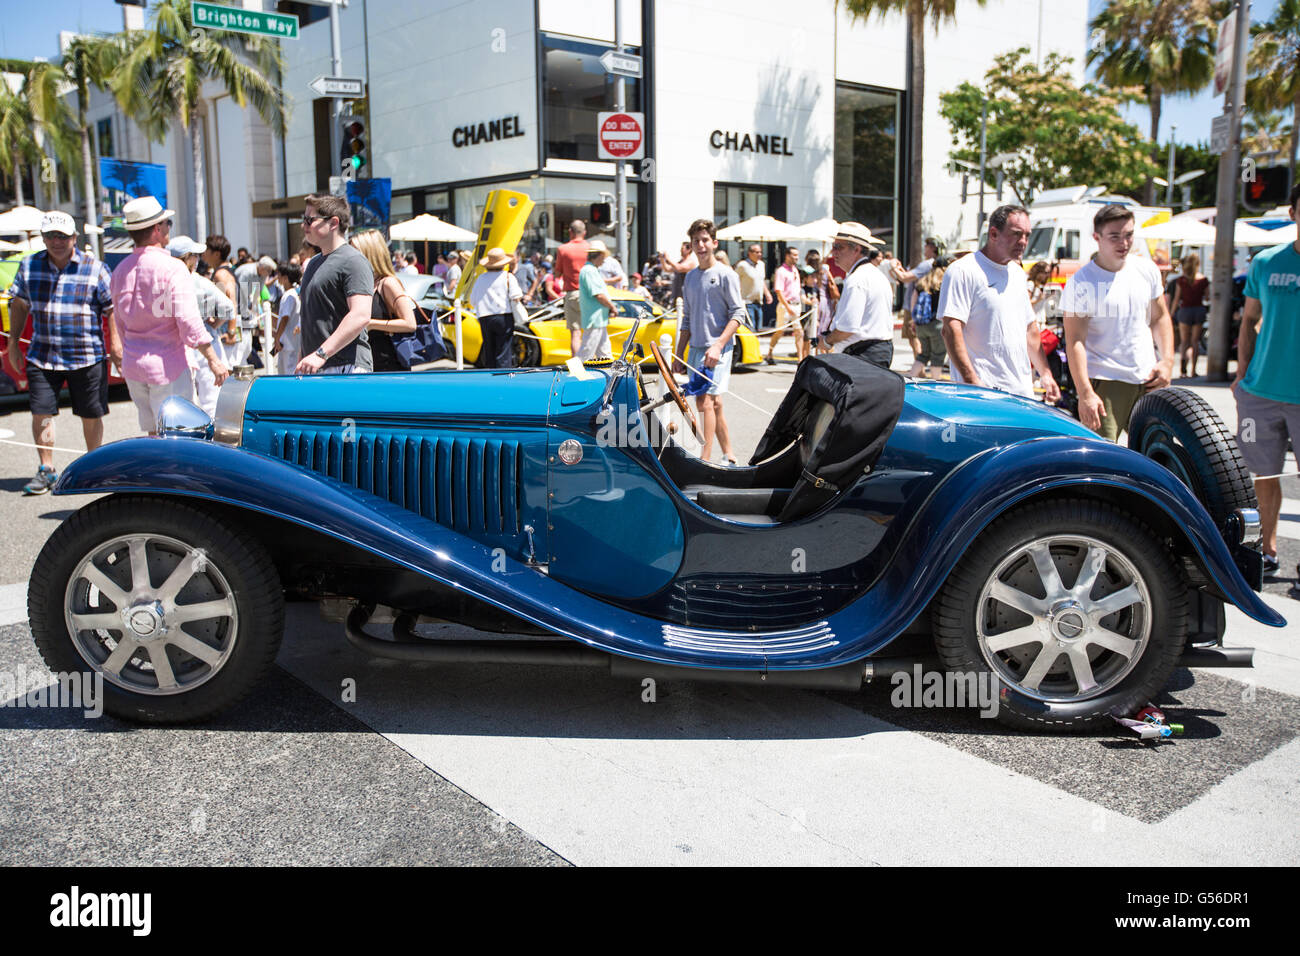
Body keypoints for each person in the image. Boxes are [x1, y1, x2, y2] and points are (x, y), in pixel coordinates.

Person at [5, 211, 116, 494]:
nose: (57, 241)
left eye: (63, 236)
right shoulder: (30, 265)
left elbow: (112, 309)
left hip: (87, 355)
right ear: (43, 238)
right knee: (40, 413)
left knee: (91, 415)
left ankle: (94, 469)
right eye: (51, 236)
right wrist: (14, 343)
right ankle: (46, 469)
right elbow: (18, 304)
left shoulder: (95, 267)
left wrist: (115, 346)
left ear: (74, 238)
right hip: (43, 355)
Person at [111, 196, 228, 434]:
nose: (168, 229)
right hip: (167, 365)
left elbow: (120, 320)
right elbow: (188, 321)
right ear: (157, 229)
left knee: (153, 433)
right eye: (167, 224)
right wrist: (213, 360)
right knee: (179, 435)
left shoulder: (120, 270)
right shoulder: (173, 268)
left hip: (134, 365)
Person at [1060, 203, 1173, 441]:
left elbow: (1160, 317)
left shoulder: (1146, 269)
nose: (1124, 243)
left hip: (1148, 378)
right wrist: (1085, 393)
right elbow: (1075, 341)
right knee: (1103, 462)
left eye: (1129, 235)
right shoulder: (1082, 282)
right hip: (1104, 382)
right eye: (1114, 237)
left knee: (1157, 456)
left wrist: (1167, 362)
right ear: (1097, 238)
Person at [1233, 183, 1300, 577]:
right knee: (1265, 475)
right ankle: (1268, 549)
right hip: (1260, 392)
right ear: (1293, 214)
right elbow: (1249, 322)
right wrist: (1242, 377)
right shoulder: (1266, 262)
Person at [938, 204, 1060, 404]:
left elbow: (1030, 329)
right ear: (993, 234)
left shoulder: (1018, 274)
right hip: (982, 396)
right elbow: (951, 330)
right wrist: (971, 381)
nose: (1023, 242)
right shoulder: (963, 271)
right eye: (1016, 234)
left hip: (1022, 394)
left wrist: (1045, 374)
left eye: (1027, 235)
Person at [675, 218, 745, 465]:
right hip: (696, 349)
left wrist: (718, 345)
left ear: (714, 243)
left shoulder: (727, 274)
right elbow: (687, 319)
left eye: (705, 240)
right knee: (713, 404)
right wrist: (679, 354)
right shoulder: (691, 278)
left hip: (719, 349)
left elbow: (739, 314)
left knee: (706, 400)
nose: (701, 245)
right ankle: (730, 454)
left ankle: (704, 460)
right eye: (696, 241)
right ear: (691, 245)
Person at [295, 193, 374, 374]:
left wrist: (320, 354)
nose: (303, 225)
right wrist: (304, 356)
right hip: (318, 366)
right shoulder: (313, 263)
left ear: (333, 223)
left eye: (309, 220)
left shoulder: (353, 260)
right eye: (303, 219)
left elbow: (361, 315)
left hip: (346, 366)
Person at [167, 234, 233, 414]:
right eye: (195, 255)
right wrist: (214, 325)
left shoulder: (164, 281)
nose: (197, 259)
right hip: (204, 341)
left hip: (176, 345)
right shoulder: (198, 281)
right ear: (187, 258)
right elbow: (228, 308)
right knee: (211, 400)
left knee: (183, 403)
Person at [823, 223, 895, 368]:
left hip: (861, 355)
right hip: (874, 352)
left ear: (856, 249)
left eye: (839, 247)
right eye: (834, 246)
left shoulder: (857, 280)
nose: (833, 252)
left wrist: (826, 341)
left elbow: (846, 329)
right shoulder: (875, 274)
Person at [349, 229, 419, 372]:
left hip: (389, 365)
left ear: (369, 253)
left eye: (355, 251)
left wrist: (371, 324)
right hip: (365, 363)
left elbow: (410, 323)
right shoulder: (364, 283)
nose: (350, 257)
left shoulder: (388, 283)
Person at [468, 247, 525, 368]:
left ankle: (490, 375)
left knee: (489, 349)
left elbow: (473, 300)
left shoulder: (480, 279)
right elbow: (516, 295)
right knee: (503, 350)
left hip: (484, 317)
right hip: (503, 315)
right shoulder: (508, 276)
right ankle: (503, 378)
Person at [202, 234, 243, 364]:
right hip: (228, 325)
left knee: (228, 375)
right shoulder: (225, 270)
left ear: (216, 254)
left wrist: (231, 332)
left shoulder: (221, 274)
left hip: (228, 328)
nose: (204, 252)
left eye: (207, 249)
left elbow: (231, 302)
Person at [1170, 252, 1209, 378]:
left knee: (1185, 341)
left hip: (1185, 311)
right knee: (1195, 341)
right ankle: (1193, 370)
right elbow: (1208, 297)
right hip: (1198, 310)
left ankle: (1183, 370)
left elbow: (1176, 299)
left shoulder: (1181, 280)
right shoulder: (1203, 279)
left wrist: (1170, 314)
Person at [556, 220, 590, 356]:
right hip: (590, 294)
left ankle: (577, 367)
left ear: (570, 232)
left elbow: (557, 273)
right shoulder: (590, 247)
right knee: (590, 333)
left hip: (572, 293)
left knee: (575, 334)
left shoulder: (563, 249)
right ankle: (592, 366)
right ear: (585, 232)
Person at [908, 258, 947, 378]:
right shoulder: (943, 283)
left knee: (923, 355)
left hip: (921, 325)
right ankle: (935, 382)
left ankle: (910, 378)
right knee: (938, 355)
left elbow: (913, 303)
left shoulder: (922, 282)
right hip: (937, 325)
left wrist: (914, 321)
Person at [577, 240, 616, 360]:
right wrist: (612, 307)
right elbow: (598, 295)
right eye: (603, 257)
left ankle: (609, 376)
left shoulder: (590, 270)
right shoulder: (589, 271)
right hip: (595, 318)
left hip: (597, 318)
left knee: (604, 352)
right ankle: (573, 374)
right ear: (598, 256)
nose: (604, 260)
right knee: (586, 351)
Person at [766, 245, 804, 364]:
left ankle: (800, 358)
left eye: (797, 255)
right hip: (785, 305)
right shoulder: (781, 271)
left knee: (799, 332)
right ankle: (770, 353)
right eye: (794, 255)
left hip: (796, 304)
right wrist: (788, 307)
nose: (797, 258)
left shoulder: (795, 270)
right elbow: (779, 291)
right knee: (779, 332)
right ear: (787, 256)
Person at [271, 262, 302, 377]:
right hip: (291, 341)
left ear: (285, 278)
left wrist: (277, 337)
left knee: (288, 372)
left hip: (287, 341)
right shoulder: (294, 294)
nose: (277, 278)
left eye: (279, 275)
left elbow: (285, 318)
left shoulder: (289, 295)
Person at [806, 249, 839, 357]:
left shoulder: (808, 271)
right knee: (825, 331)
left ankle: (815, 355)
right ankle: (828, 354)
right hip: (827, 303)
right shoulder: (825, 269)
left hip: (815, 302)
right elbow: (832, 283)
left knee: (814, 331)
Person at [735, 243, 772, 331]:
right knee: (751, 328)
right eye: (757, 252)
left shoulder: (761, 265)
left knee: (758, 328)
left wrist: (767, 294)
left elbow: (761, 280)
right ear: (750, 253)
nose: (760, 254)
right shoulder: (742, 265)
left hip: (759, 302)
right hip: (747, 302)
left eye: (760, 252)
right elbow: (734, 278)